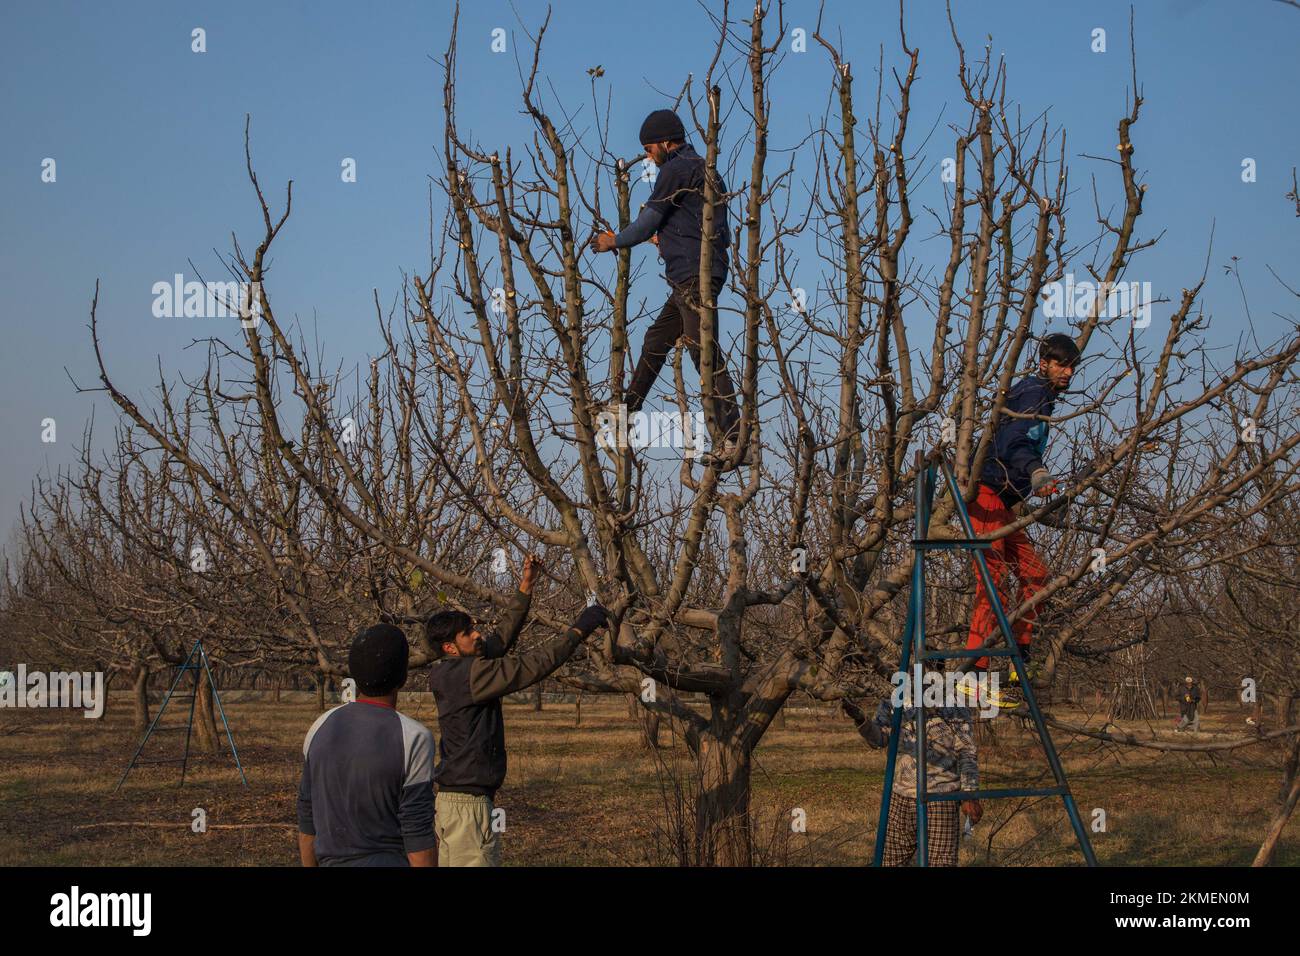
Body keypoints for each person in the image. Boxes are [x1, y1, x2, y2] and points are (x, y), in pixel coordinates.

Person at [426, 571, 610, 867]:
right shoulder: (472, 675)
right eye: (468, 633)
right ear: (449, 646)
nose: (477, 635)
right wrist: (580, 629)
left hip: (453, 802)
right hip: (469, 808)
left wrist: (525, 589)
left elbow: (498, 642)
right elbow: (533, 665)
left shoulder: (449, 671)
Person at [589, 108, 742, 454]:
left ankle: (734, 438)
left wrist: (613, 241)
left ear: (663, 142)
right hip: (699, 272)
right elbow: (698, 222)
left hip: (693, 277)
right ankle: (625, 413)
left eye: (648, 149)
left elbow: (647, 221)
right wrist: (666, 238)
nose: (648, 157)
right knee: (657, 338)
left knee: (703, 351)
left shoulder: (674, 169)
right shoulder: (706, 169)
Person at [967, 332, 1081, 709]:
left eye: (1071, 366)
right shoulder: (1032, 392)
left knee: (1035, 576)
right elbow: (1013, 443)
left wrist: (1040, 497)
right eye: (1061, 364)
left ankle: (1019, 661)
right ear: (1043, 362)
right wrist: (1038, 472)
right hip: (986, 495)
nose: (1067, 372)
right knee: (994, 581)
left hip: (1006, 502)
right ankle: (973, 673)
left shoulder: (1044, 397)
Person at [296, 623, 436, 867]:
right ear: (403, 676)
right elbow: (417, 832)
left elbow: (308, 817)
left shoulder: (319, 726)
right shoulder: (414, 737)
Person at [843, 696, 980, 867]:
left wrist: (969, 793)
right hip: (900, 797)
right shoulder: (895, 700)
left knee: (941, 863)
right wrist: (861, 720)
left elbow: (967, 751)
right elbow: (880, 739)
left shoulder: (951, 703)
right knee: (888, 861)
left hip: (940, 799)